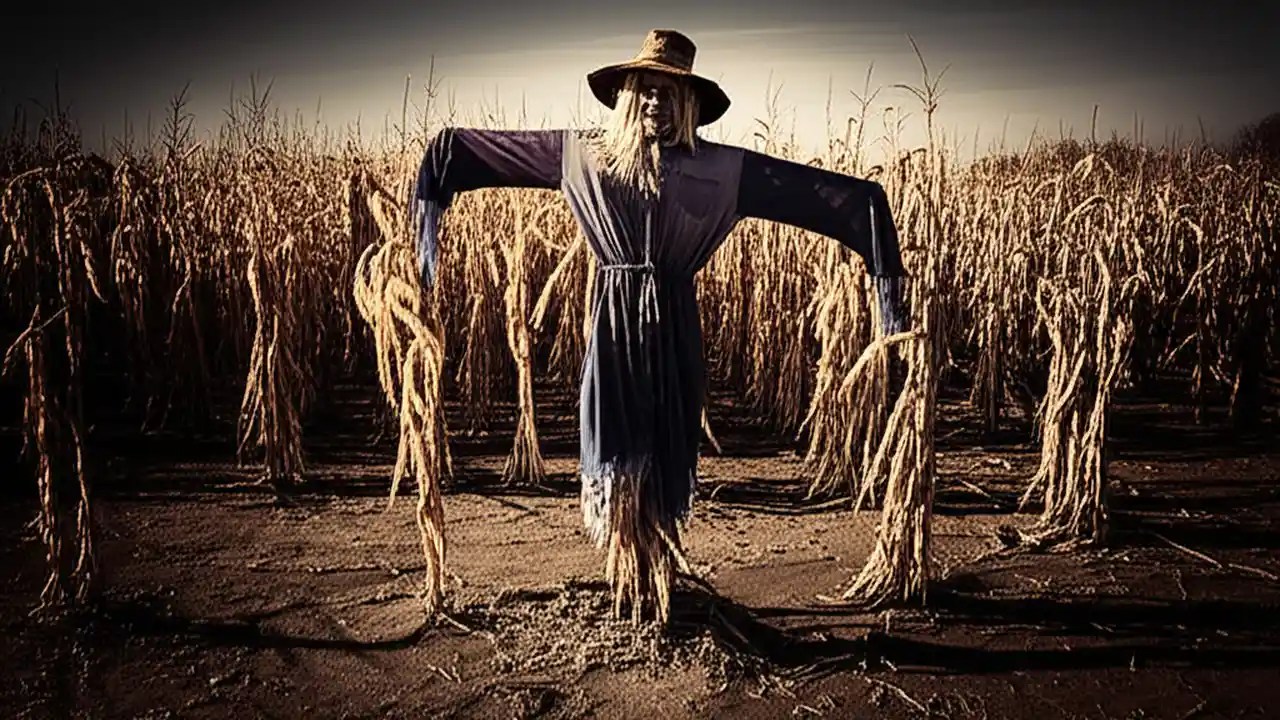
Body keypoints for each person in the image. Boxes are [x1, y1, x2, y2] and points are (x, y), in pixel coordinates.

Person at [412, 29, 908, 624]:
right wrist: (428, 212)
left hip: (675, 326)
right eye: (646, 89)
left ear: (689, 105)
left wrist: (878, 246)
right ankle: (630, 591)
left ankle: (658, 588)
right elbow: (475, 153)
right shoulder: (583, 155)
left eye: (671, 93)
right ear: (626, 93)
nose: (656, 102)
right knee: (619, 463)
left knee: (668, 450)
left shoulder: (722, 170)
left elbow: (827, 198)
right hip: (615, 327)